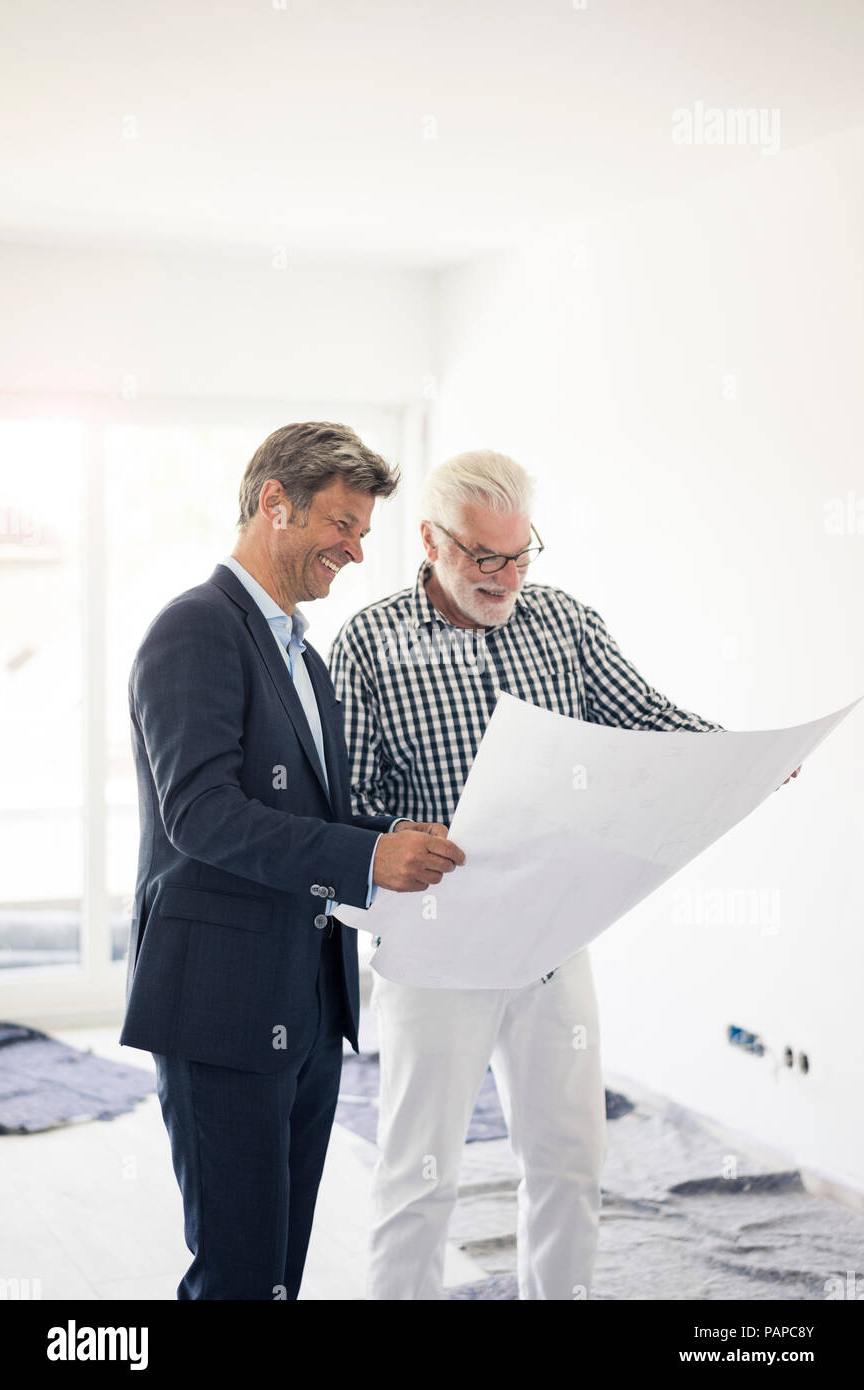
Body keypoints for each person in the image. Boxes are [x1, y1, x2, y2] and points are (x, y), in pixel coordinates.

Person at [328, 447, 731, 1301]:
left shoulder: (564, 623)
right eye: (482, 556)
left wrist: (734, 760)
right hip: (436, 945)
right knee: (418, 1172)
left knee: (568, 1157)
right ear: (432, 540)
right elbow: (350, 803)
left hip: (552, 938)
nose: (504, 575)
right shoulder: (368, 642)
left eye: (518, 555)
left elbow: (645, 719)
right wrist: (410, 836)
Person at [119, 421, 466, 1300]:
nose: (354, 551)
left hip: (306, 1006)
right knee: (237, 1274)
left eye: (361, 531)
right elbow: (200, 815)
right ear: (276, 503)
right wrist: (365, 856)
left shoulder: (303, 656)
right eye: (342, 525)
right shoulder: (196, 629)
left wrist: (420, 839)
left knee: (278, 1273)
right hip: (220, 1005)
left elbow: (320, 814)